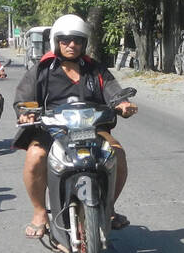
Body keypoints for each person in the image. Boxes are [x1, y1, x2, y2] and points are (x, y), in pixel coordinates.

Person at [13, 13, 137, 238]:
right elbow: (24, 97)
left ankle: (108, 208)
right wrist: (25, 112)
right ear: (56, 42)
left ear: (84, 43)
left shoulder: (95, 69)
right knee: (34, 157)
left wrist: (123, 103)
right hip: (53, 130)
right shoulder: (42, 69)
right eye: (66, 40)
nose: (72, 45)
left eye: (78, 40)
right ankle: (40, 213)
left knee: (117, 154)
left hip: (93, 129)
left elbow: (113, 91)